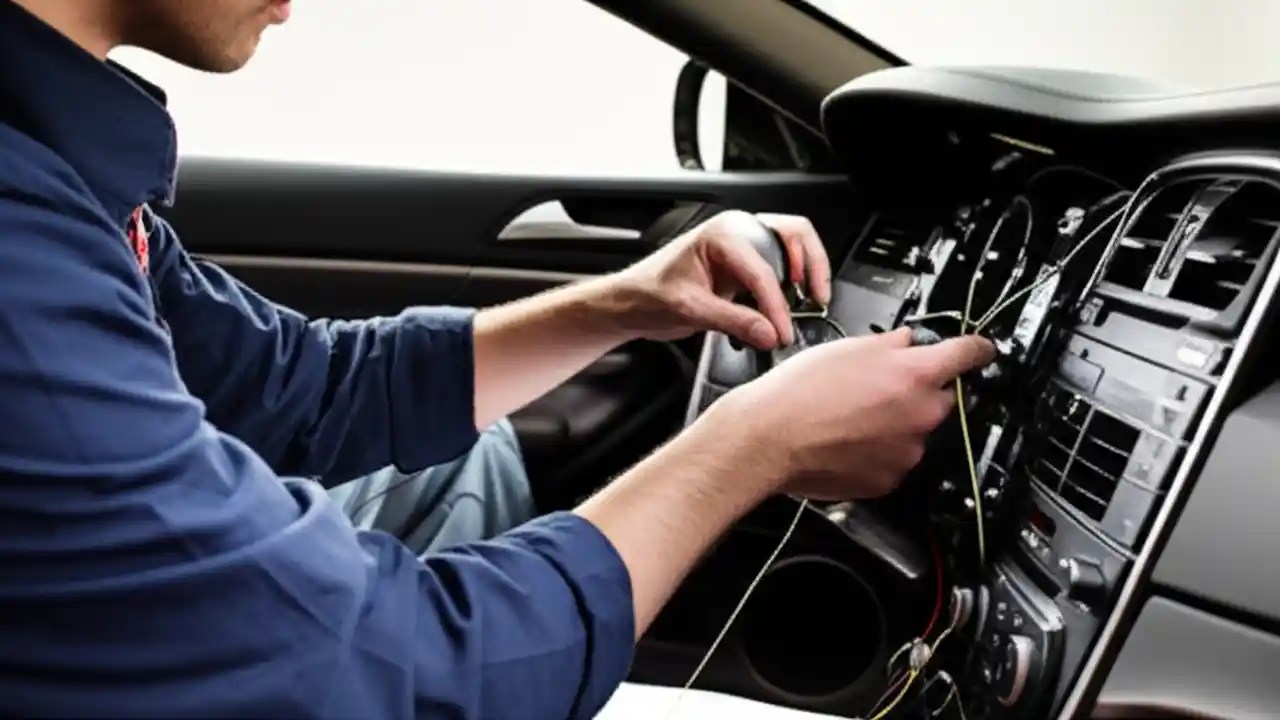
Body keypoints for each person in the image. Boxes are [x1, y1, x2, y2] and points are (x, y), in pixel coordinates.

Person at [0, 0, 995, 718]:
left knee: (454, 463)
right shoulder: (21, 257)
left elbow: (291, 391)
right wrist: (754, 444)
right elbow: (374, 669)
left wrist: (627, 304)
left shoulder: (57, 170)